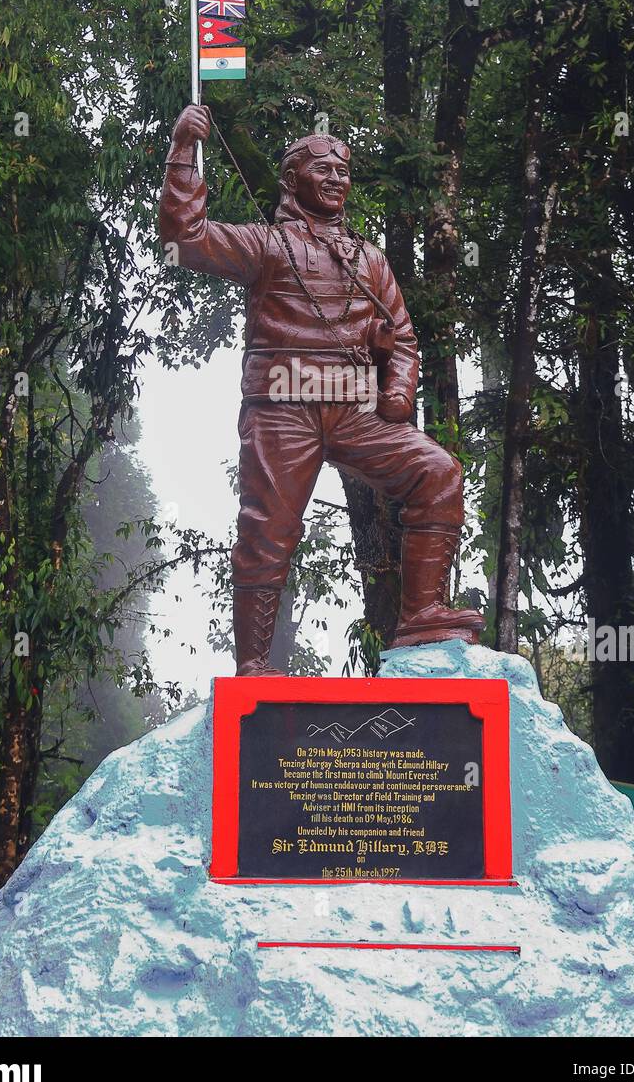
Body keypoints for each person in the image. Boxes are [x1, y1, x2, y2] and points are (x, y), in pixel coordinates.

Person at [159, 104, 483, 675]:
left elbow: (404, 337)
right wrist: (185, 150)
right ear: (291, 180)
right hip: (283, 405)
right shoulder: (265, 245)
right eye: (322, 170)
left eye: (343, 171)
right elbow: (185, 238)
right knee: (268, 527)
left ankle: (422, 614)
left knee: (438, 473)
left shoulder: (369, 259)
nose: (336, 180)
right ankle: (255, 666)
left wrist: (398, 398)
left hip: (357, 410)